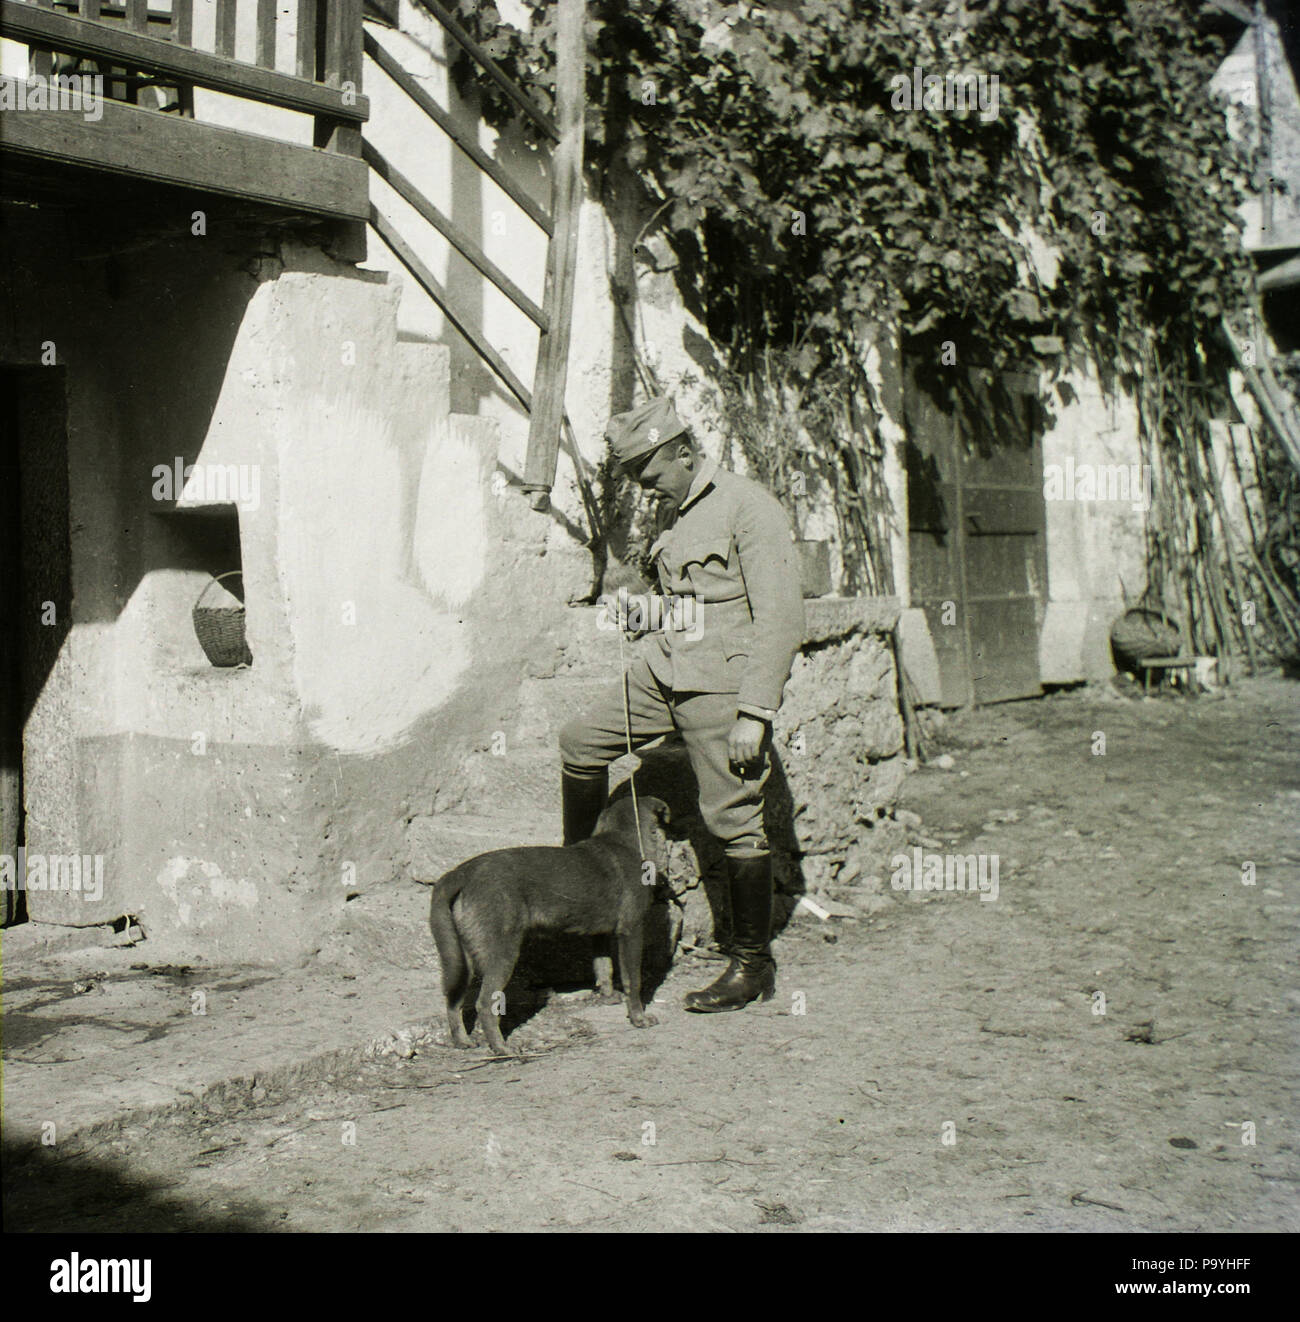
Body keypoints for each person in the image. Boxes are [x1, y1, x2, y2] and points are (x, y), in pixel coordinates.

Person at [559, 397, 805, 1012]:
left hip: (721, 686)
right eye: (638, 480)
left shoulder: (749, 507)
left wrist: (756, 711)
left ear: (685, 452)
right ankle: (583, 899)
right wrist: (638, 612)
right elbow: (690, 601)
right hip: (662, 672)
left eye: (652, 476)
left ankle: (752, 965)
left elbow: (781, 616)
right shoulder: (673, 512)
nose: (646, 491)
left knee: (732, 816)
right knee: (580, 744)